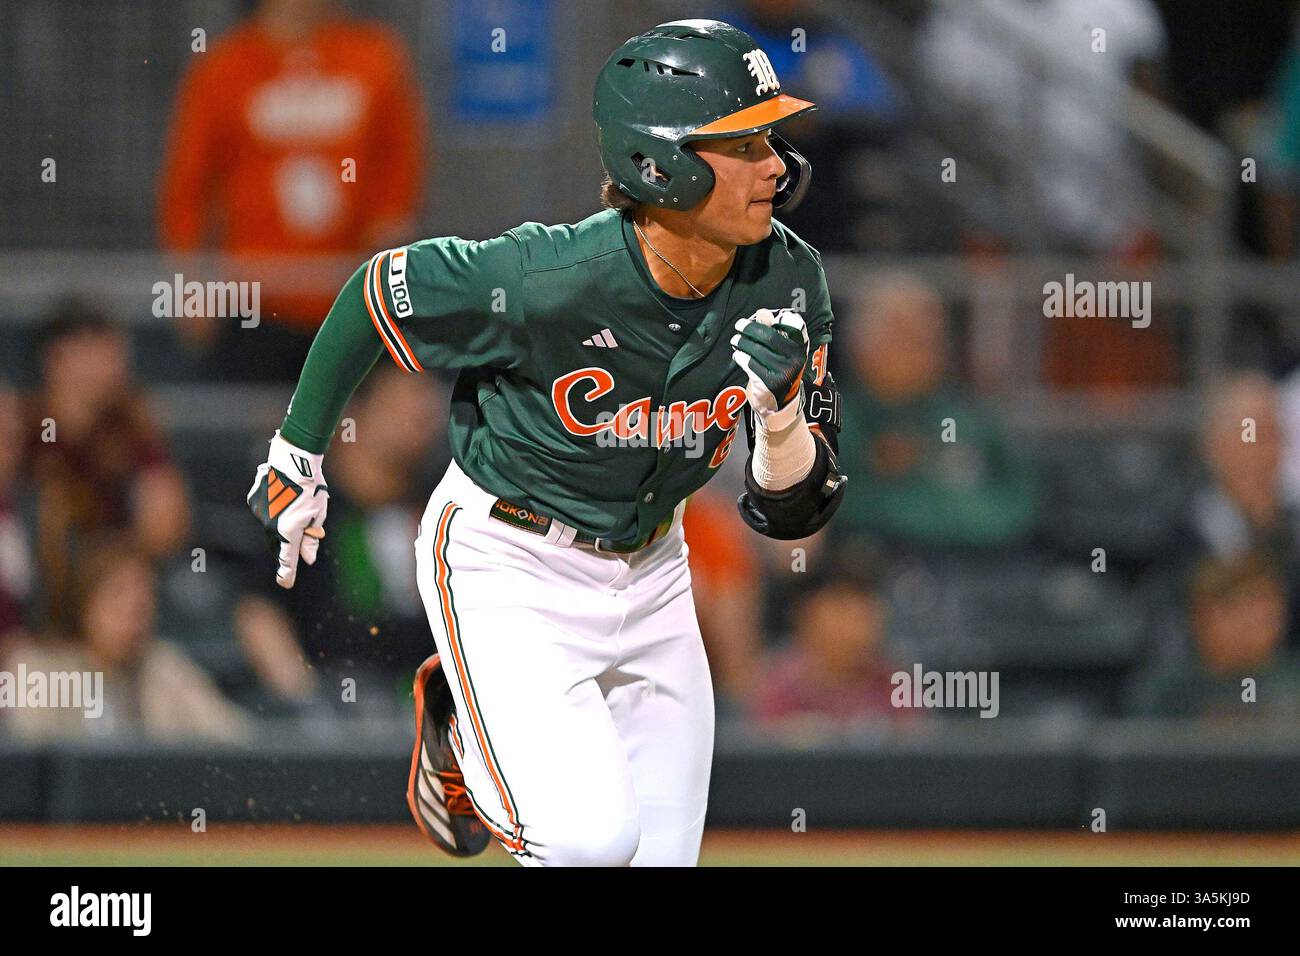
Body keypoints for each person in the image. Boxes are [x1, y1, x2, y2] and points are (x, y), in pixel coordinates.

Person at [246, 19, 847, 867]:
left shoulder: (790, 277)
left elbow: (796, 510)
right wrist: (298, 451)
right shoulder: (544, 279)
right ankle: (464, 732)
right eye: (743, 143)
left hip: (651, 568)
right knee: (590, 846)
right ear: (659, 163)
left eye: (771, 137)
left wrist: (782, 419)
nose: (776, 164)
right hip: (509, 558)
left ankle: (481, 735)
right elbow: (378, 293)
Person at [157, 0, 426, 382]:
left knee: (385, 414)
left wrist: (389, 251)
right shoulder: (224, 67)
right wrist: (189, 284)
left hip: (356, 302)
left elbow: (399, 173)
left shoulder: (374, 57)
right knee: (264, 428)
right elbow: (187, 188)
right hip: (258, 305)